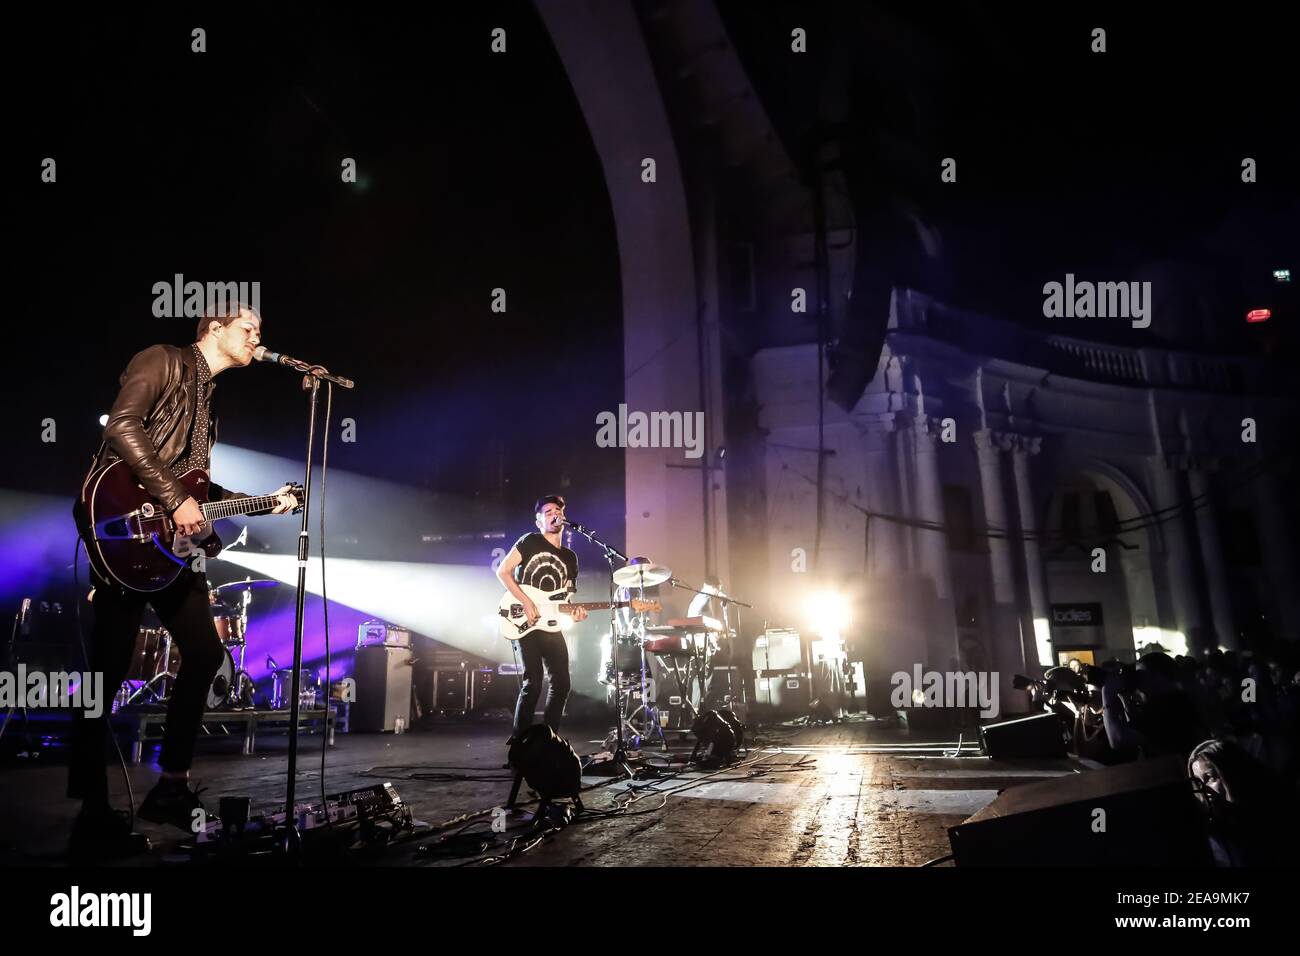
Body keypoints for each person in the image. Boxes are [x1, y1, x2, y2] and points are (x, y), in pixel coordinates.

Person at [69, 303, 297, 859]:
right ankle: (92, 814)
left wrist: (266, 504)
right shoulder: (164, 361)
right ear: (214, 329)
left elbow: (193, 486)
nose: (257, 337)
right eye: (249, 328)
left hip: (165, 549)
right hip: (120, 524)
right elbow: (122, 427)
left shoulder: (210, 407)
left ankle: (170, 786)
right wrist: (175, 499)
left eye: (260, 331)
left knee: (203, 652)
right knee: (106, 672)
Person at [494, 495, 587, 747]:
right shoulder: (530, 541)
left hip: (552, 624)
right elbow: (503, 571)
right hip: (526, 621)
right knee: (532, 683)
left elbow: (567, 599)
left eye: (557, 510)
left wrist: (575, 614)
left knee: (562, 683)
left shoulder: (570, 557)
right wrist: (525, 601)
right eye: (547, 512)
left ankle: (548, 740)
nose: (554, 514)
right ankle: (518, 744)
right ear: (538, 521)